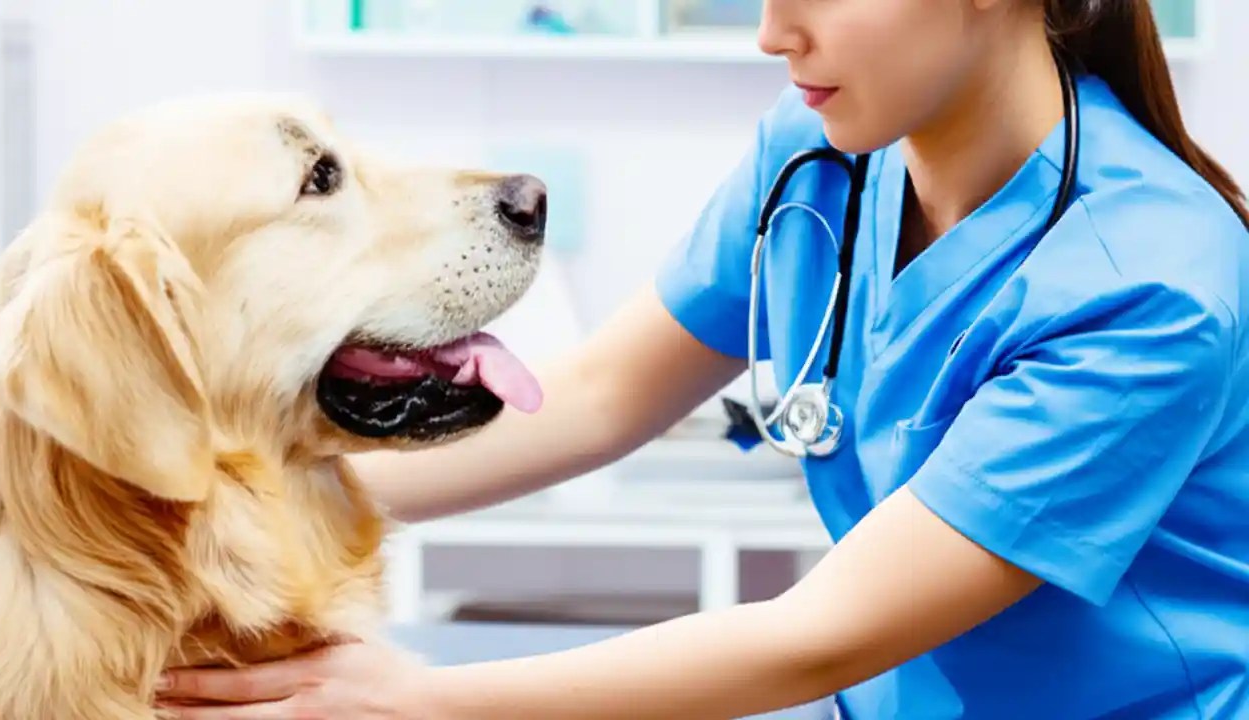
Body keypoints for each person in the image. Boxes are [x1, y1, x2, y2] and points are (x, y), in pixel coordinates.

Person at [156, 0, 1249, 717]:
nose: (772, 31)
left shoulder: (1147, 280)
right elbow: (594, 396)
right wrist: (228, 510)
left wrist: (417, 702)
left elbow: (820, 636)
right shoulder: (819, 155)